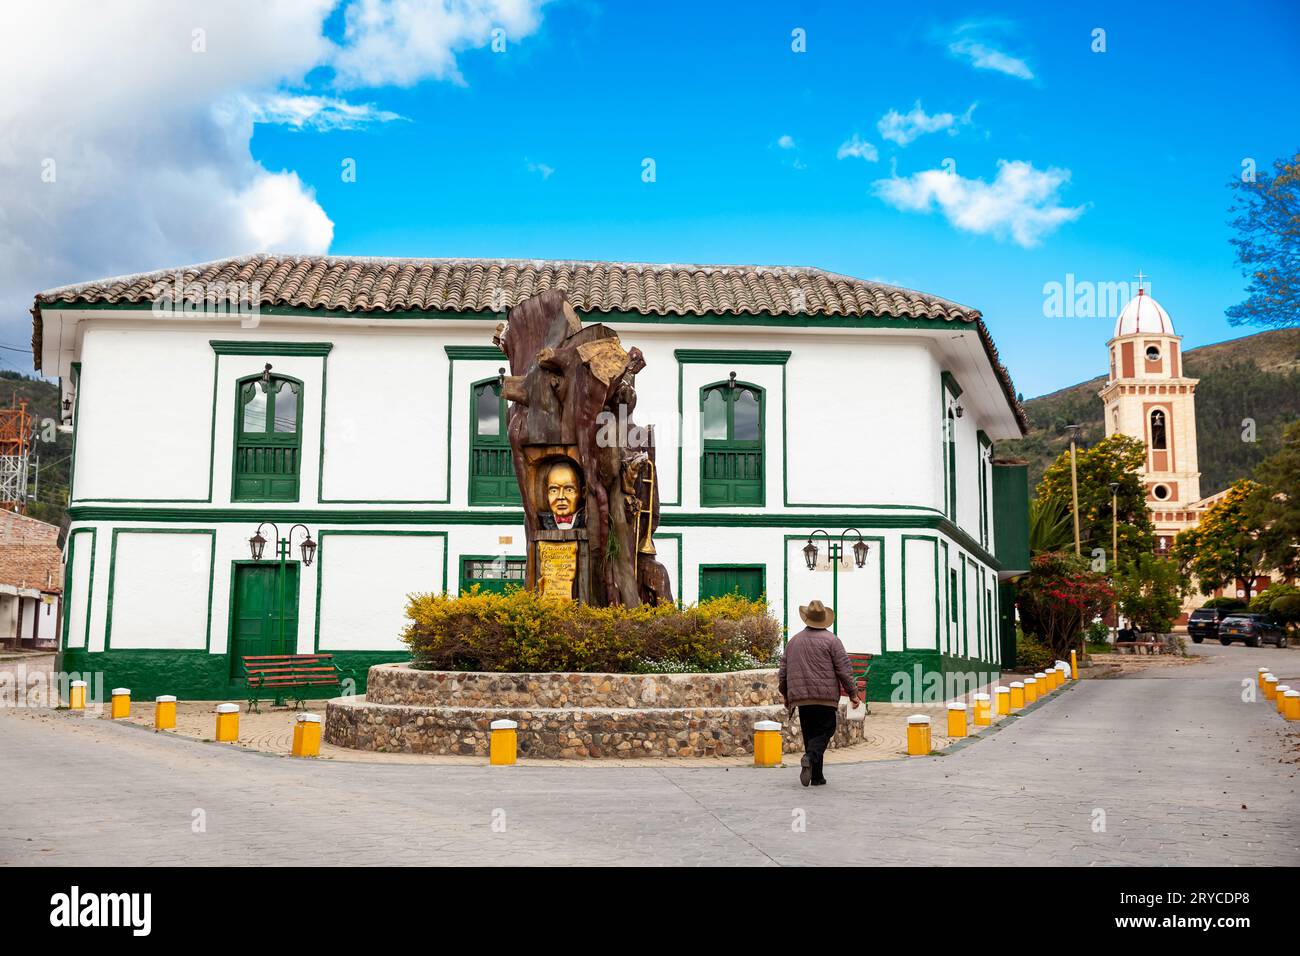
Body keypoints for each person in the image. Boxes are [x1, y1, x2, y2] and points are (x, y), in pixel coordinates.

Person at [778, 600, 860, 787]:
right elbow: (843, 670)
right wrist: (853, 693)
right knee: (827, 729)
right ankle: (810, 757)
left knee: (810, 734)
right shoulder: (832, 640)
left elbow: (783, 671)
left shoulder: (794, 641)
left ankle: (817, 777)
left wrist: (785, 694)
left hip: (802, 698)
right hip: (825, 697)